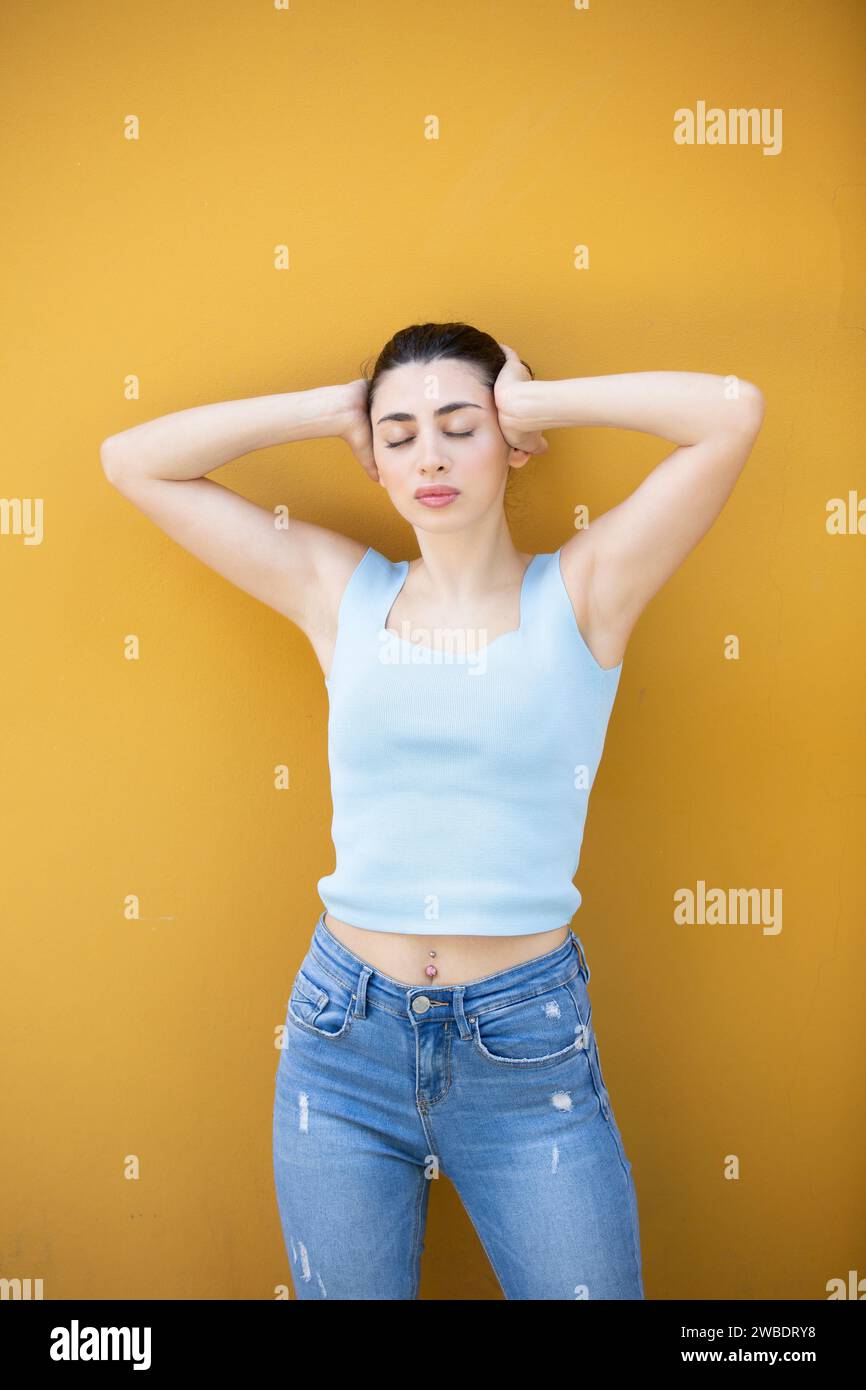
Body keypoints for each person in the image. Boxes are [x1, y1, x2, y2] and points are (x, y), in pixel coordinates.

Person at [100, 321, 765, 1299]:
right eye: (399, 434)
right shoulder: (337, 591)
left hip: (523, 1049)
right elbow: (133, 462)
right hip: (341, 1041)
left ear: (510, 440)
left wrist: (538, 402)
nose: (431, 456)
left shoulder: (583, 592)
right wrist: (330, 410)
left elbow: (728, 414)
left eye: (461, 425)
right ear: (374, 456)